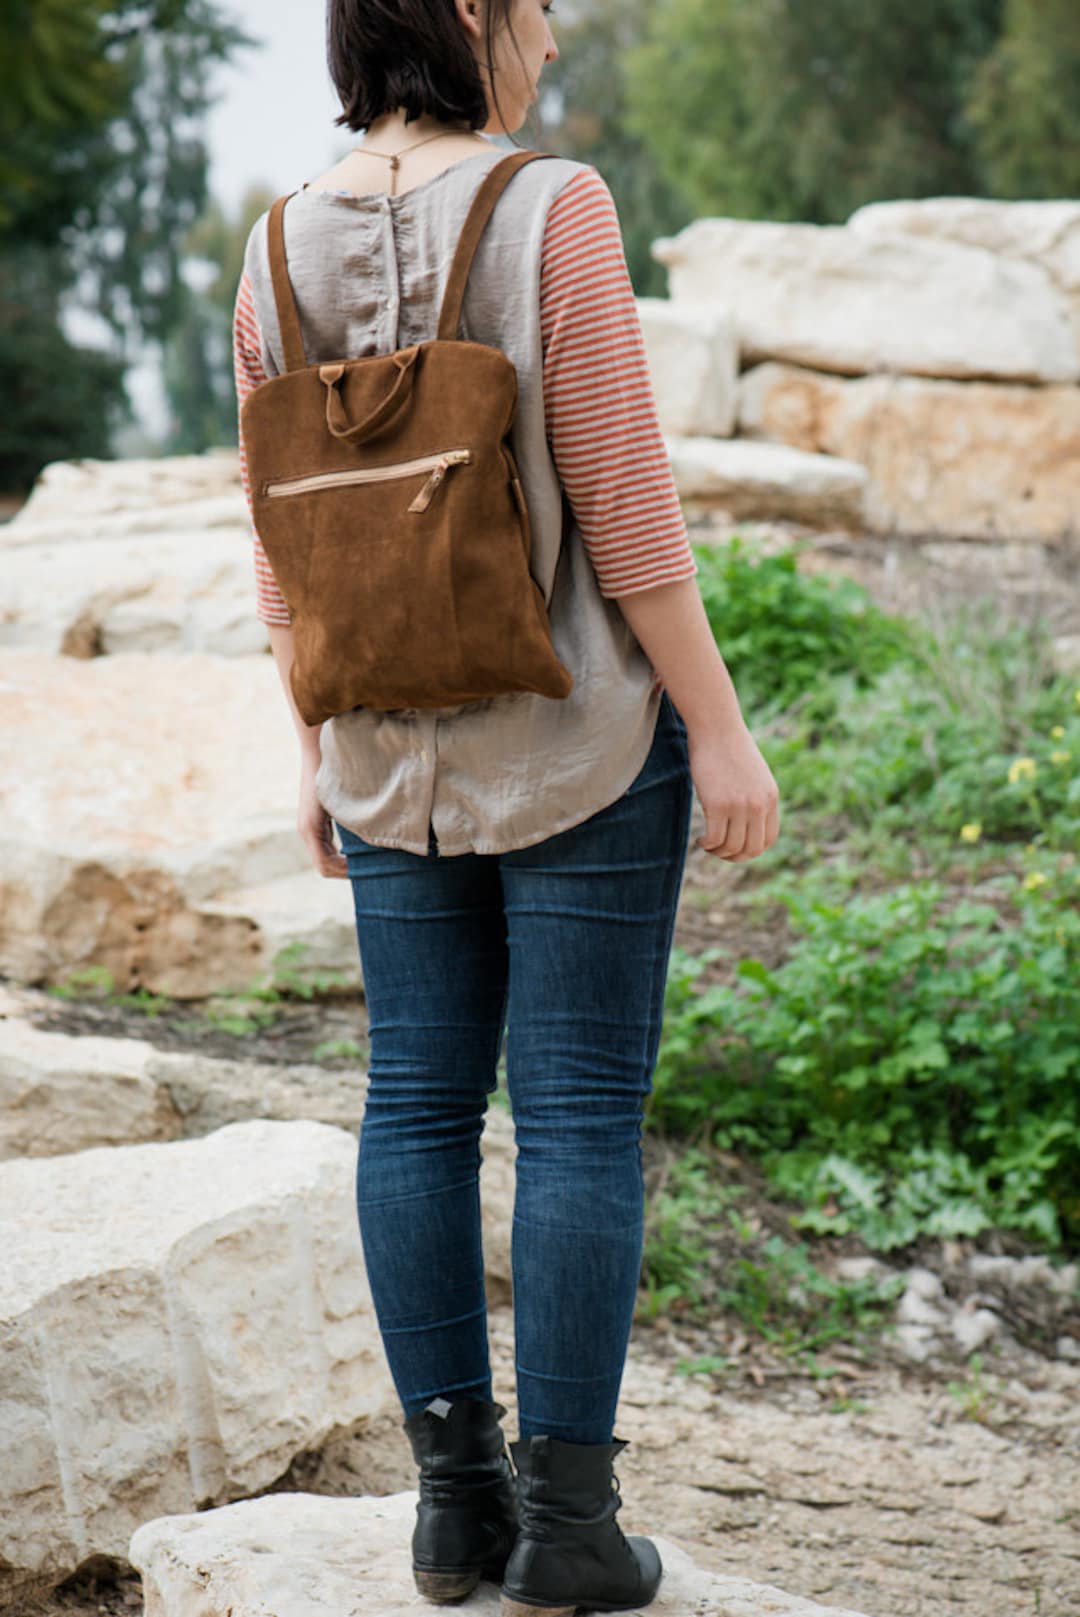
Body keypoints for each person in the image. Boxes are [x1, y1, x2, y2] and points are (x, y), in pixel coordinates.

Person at [232, 2, 780, 1611]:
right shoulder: (557, 206)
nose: (547, 36)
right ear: (469, 12)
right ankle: (572, 1529)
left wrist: (312, 745)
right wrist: (724, 729)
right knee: (579, 1120)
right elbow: (621, 495)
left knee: (412, 1107)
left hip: (387, 749)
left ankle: (453, 1513)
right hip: (581, 738)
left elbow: (279, 539)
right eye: (535, 8)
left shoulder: (273, 246)